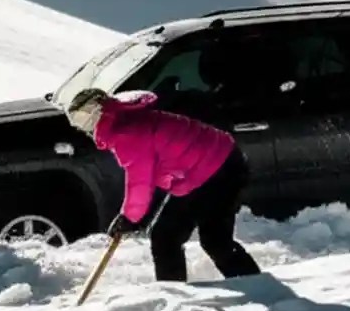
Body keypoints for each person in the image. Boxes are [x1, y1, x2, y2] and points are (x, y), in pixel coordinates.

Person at [65, 87, 260, 282]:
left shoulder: (126, 133)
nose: (83, 128)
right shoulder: (124, 121)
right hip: (206, 169)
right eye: (76, 122)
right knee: (165, 237)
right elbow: (154, 173)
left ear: (97, 111)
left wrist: (130, 218)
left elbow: (140, 181)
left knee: (214, 242)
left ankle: (259, 289)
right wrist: (135, 217)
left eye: (82, 119)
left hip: (218, 169)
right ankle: (174, 296)